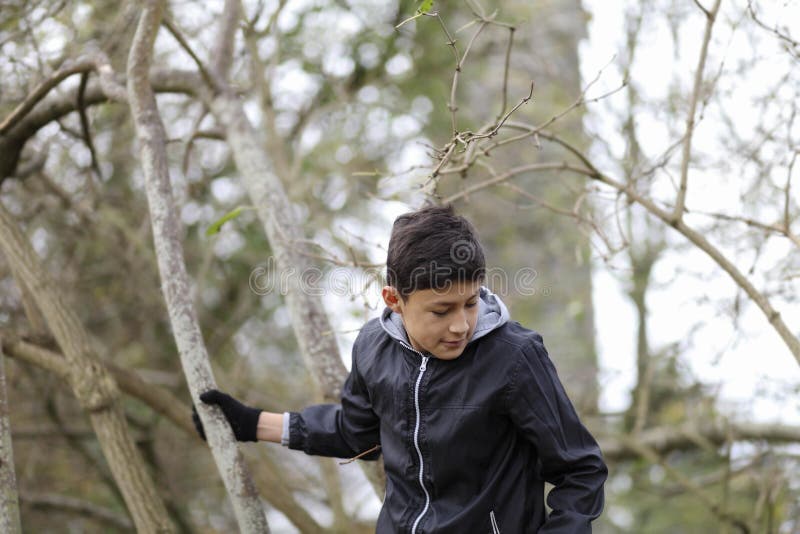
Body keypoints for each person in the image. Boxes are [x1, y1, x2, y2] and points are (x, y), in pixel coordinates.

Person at [193, 204, 607, 533]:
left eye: (469, 302)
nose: (461, 324)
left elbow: (581, 469)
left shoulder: (514, 357)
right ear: (394, 299)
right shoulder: (373, 348)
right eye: (441, 310)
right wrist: (252, 424)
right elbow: (356, 433)